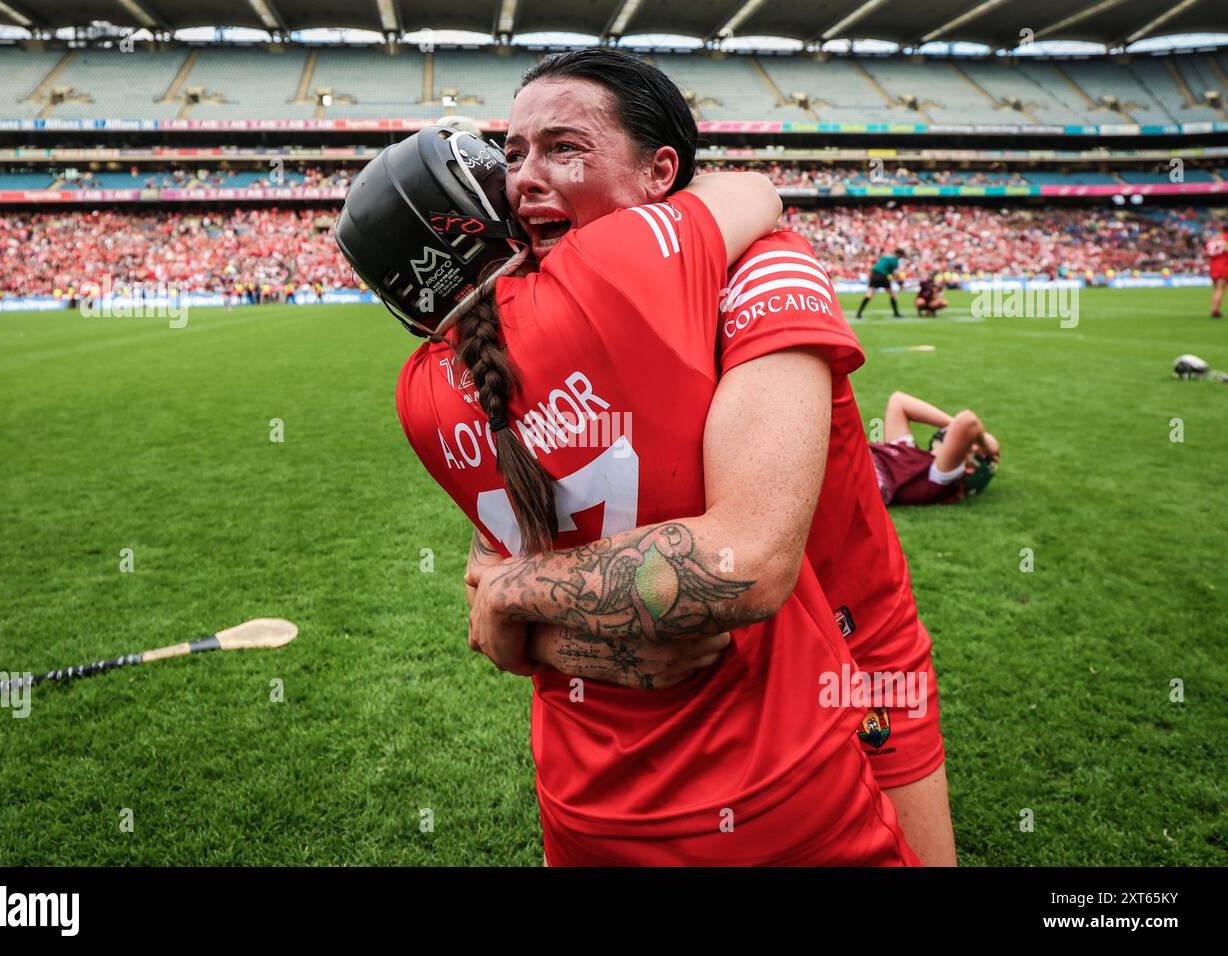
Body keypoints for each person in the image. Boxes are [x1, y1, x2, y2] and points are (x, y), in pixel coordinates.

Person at [337, 51, 918, 866]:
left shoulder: (429, 385)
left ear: (661, 171)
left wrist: (523, 614)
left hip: (608, 779)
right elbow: (736, 565)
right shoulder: (624, 273)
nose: (524, 180)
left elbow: (491, 597)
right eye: (510, 156)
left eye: (562, 148)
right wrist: (520, 613)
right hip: (779, 756)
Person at [870, 391, 999, 507]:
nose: (974, 439)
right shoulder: (906, 449)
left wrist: (986, 444)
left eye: (971, 441)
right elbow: (898, 401)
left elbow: (968, 421)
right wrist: (983, 442)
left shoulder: (938, 476)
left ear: (969, 468)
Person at [856, 247, 905, 319]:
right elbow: (894, 273)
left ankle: (859, 313)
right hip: (883, 275)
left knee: (869, 294)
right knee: (892, 294)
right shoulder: (895, 260)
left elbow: (877, 266)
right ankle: (896, 313)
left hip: (875, 274)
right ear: (899, 255)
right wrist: (900, 283)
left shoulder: (885, 257)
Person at [1206, 225, 1227, 318]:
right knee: (1220, 289)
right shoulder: (1226, 238)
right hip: (1223, 264)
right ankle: (1215, 310)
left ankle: (1214, 309)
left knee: (1216, 289)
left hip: (1213, 265)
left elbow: (1208, 253)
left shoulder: (1212, 240)